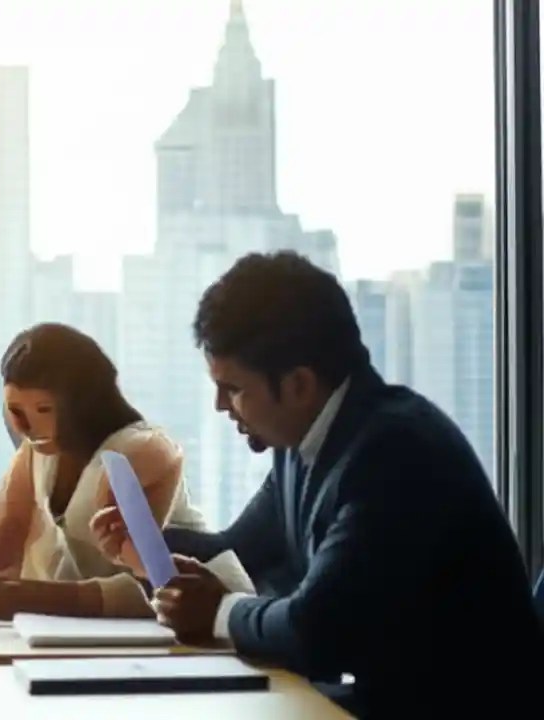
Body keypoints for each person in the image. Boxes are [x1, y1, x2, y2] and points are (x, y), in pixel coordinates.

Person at [93, 251, 542, 715]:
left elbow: (317, 632)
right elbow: (238, 550)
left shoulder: (396, 455)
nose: (220, 406)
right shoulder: (302, 442)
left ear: (299, 385)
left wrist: (219, 612)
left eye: (233, 388)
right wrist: (146, 547)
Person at [0, 323, 245, 620]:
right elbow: (3, 536)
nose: (25, 427)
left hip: (197, 607)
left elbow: (147, 577)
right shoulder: (38, 452)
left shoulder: (138, 450)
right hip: (101, 624)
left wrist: (25, 597)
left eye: (43, 410)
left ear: (80, 404)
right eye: (15, 411)